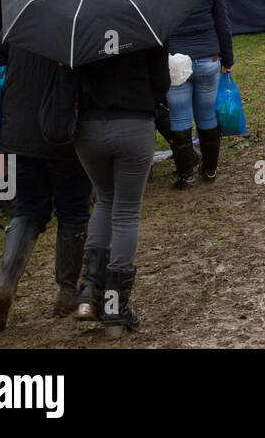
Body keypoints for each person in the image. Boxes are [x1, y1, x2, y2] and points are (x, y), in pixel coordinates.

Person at [0, 43, 90, 330]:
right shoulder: (77, 21)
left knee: (28, 209)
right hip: (62, 132)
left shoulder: (17, 17)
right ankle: (67, 290)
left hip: (17, 132)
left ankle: (4, 285)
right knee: (73, 209)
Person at [72, 45, 170, 336]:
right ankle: (115, 309)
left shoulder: (79, 23)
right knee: (126, 212)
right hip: (133, 124)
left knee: (104, 199)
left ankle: (89, 293)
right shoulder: (146, 23)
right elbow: (162, 83)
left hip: (88, 128)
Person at [164, 0, 235, 188]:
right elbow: (223, 24)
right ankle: (210, 170)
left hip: (175, 61)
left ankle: (185, 175)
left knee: (179, 119)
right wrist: (228, 58)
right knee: (207, 116)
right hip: (208, 57)